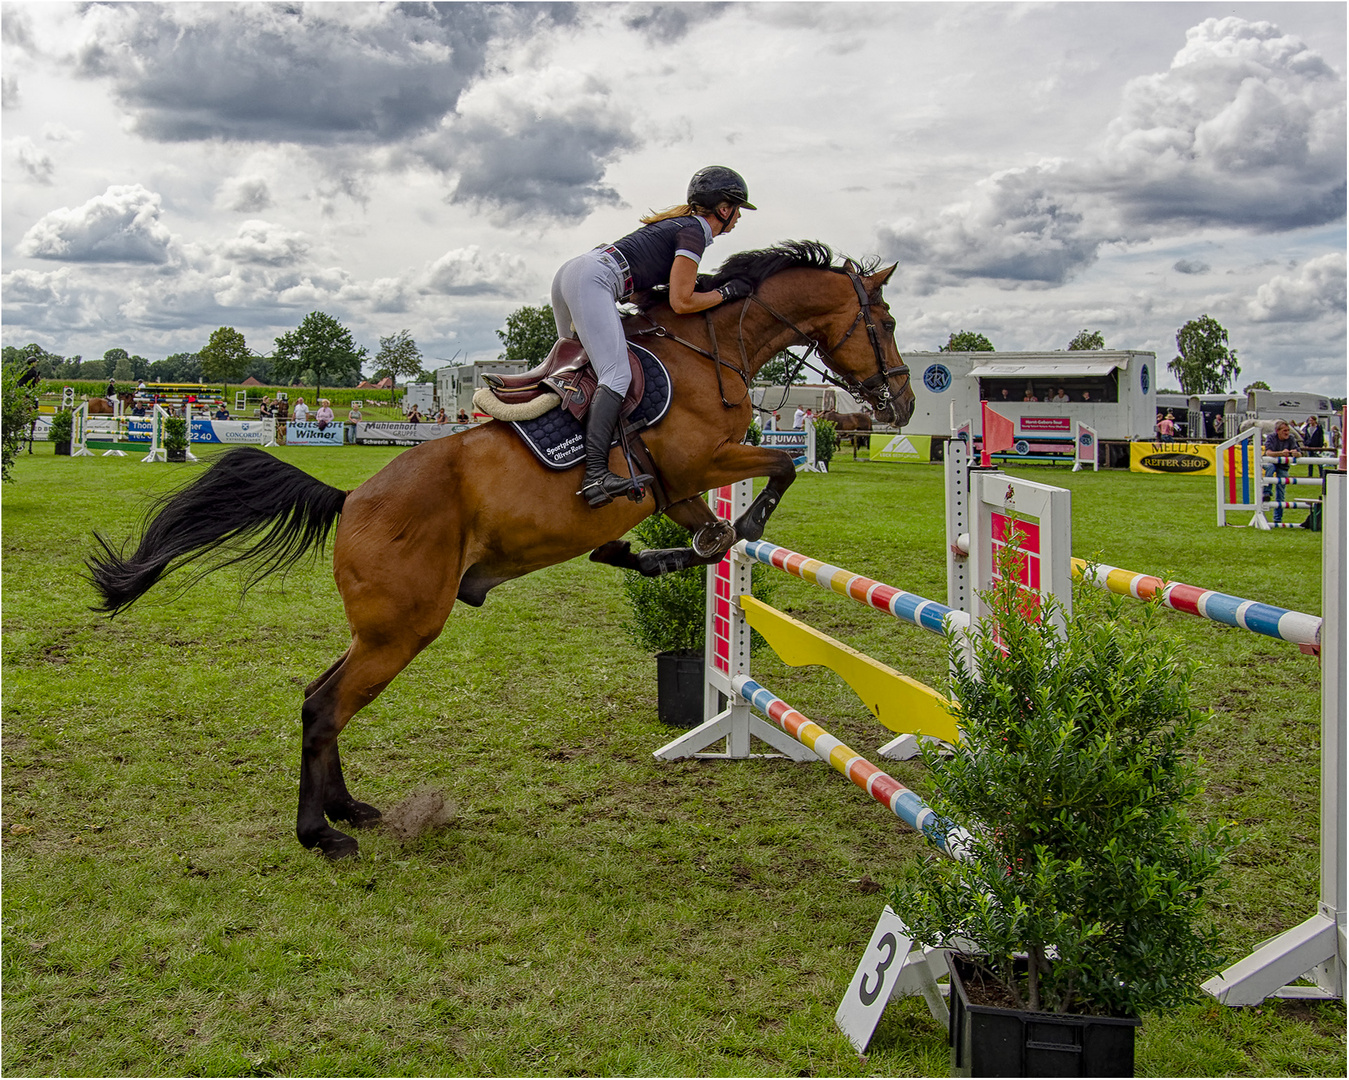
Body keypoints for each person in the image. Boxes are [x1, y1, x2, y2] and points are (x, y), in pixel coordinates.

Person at [551, 165, 756, 507]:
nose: (737, 219)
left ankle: (564, 449)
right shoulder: (696, 231)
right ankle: (596, 474)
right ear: (724, 209)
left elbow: (645, 295)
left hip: (574, 273)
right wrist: (728, 292)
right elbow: (682, 300)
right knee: (616, 375)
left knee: (580, 372)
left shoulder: (676, 224)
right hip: (594, 280)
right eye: (737, 210)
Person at [1263, 419, 1301, 524]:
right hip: (1269, 462)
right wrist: (1281, 453)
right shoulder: (1271, 437)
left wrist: (1296, 453)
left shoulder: (1291, 438)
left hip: (1283, 466)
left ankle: (1278, 519)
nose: (1287, 433)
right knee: (1270, 468)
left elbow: (1299, 452)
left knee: (1281, 491)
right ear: (1277, 431)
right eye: (1284, 431)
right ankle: (1266, 492)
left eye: (1288, 430)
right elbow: (1268, 453)